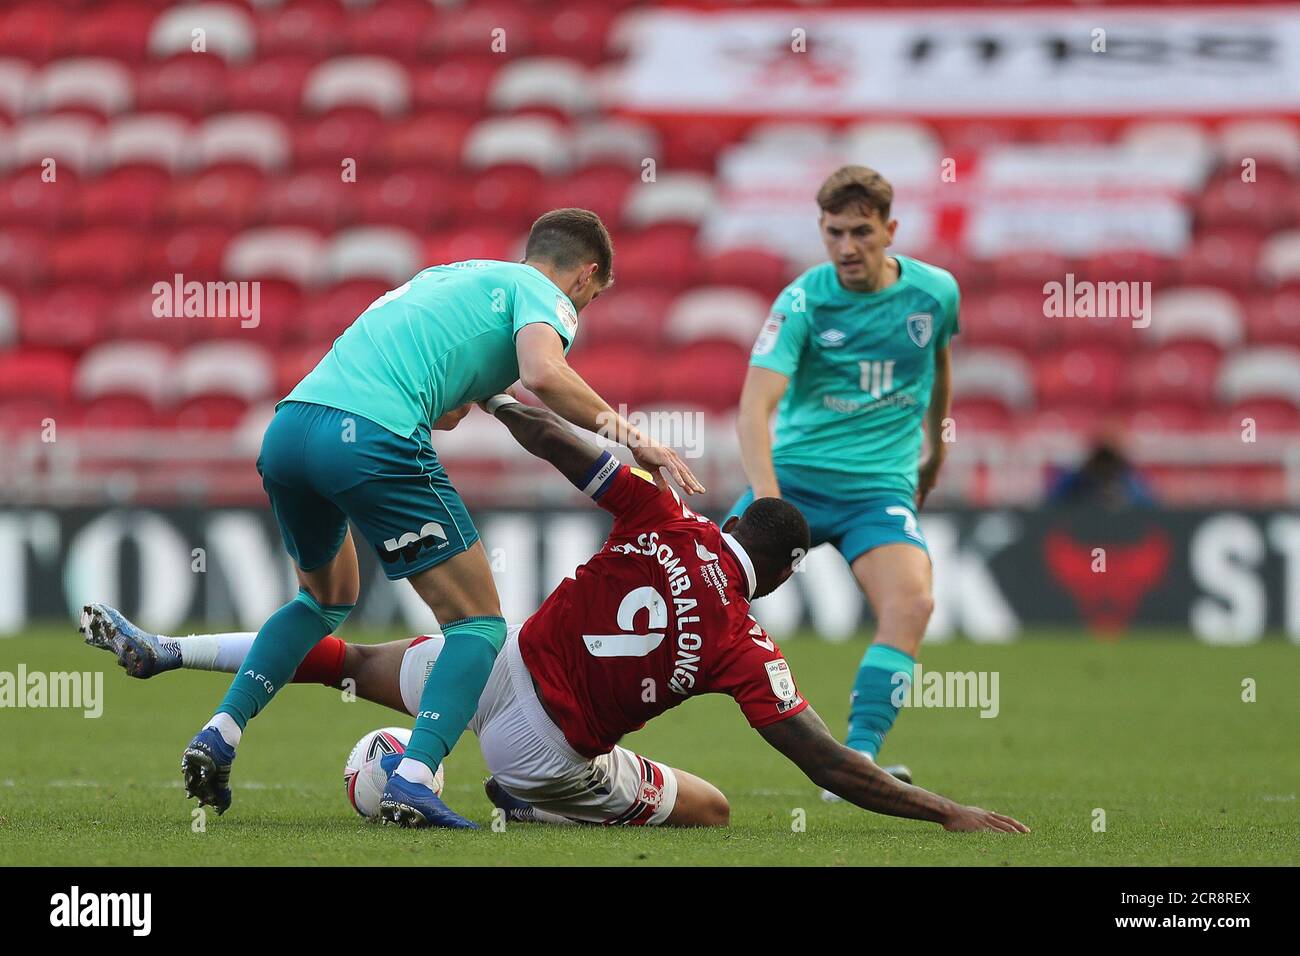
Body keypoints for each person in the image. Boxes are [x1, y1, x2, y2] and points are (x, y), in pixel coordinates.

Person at [84, 398, 1026, 834]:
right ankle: (534, 805)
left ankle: (169, 651)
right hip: (546, 748)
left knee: (342, 658)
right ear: (780, 574)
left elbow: (556, 443)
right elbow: (823, 761)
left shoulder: (664, 508)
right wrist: (945, 814)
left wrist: (492, 390)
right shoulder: (747, 640)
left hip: (487, 666)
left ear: (733, 518)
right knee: (714, 808)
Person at [181, 208, 704, 829]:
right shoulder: (543, 295)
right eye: (589, 299)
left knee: (325, 599)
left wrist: (487, 395)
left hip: (291, 429)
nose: (579, 314)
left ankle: (220, 733)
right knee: (479, 625)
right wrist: (629, 436)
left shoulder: (451, 279)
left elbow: (449, 401)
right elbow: (544, 373)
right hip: (370, 438)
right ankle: (414, 776)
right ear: (585, 276)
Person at [729, 166, 960, 795]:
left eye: (862, 232)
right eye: (834, 232)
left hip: (875, 493)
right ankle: (584, 738)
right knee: (689, 602)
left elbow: (938, 368)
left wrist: (933, 455)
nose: (847, 247)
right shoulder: (803, 300)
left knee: (912, 603)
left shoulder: (936, 293)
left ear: (891, 229)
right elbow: (754, 409)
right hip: (792, 482)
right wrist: (769, 504)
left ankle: (853, 764)